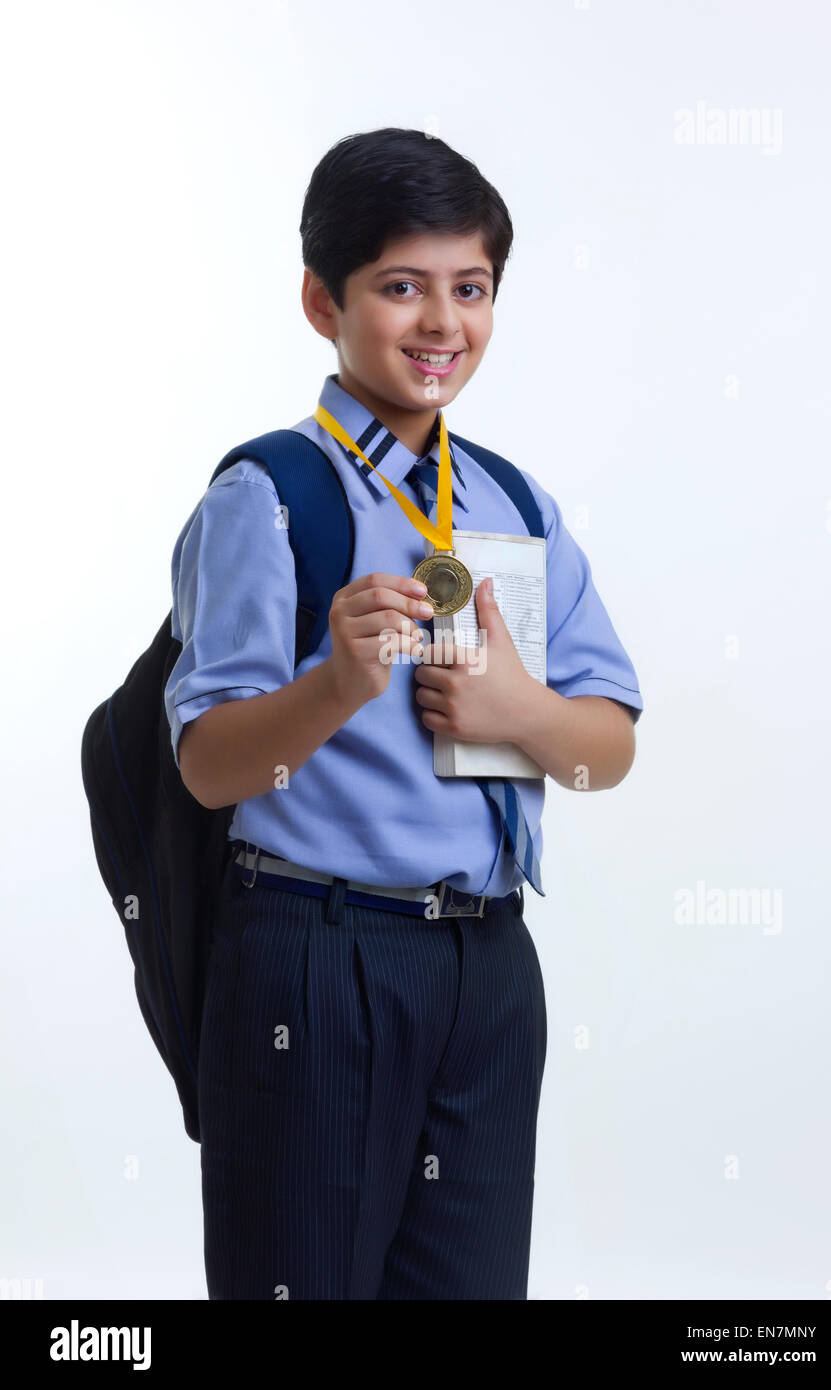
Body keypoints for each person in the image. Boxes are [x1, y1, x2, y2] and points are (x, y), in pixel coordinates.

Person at [164, 127, 644, 1300]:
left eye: (469, 289)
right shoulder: (270, 496)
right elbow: (208, 767)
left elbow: (608, 746)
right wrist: (333, 681)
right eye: (400, 287)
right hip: (317, 957)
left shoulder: (513, 502)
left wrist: (520, 710)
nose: (441, 324)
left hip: (483, 965)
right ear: (321, 301)